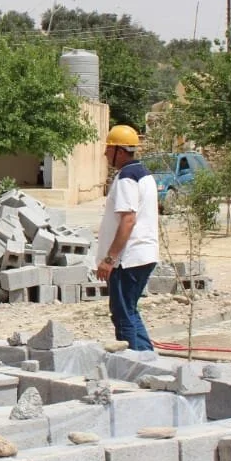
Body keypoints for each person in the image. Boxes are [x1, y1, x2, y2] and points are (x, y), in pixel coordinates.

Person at [95, 124, 161, 351]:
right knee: (129, 311)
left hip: (128, 259)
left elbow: (128, 220)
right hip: (144, 254)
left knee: (123, 316)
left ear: (120, 151)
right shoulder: (144, 175)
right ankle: (147, 360)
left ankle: (135, 364)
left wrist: (109, 259)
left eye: (108, 149)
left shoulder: (126, 178)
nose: (105, 154)